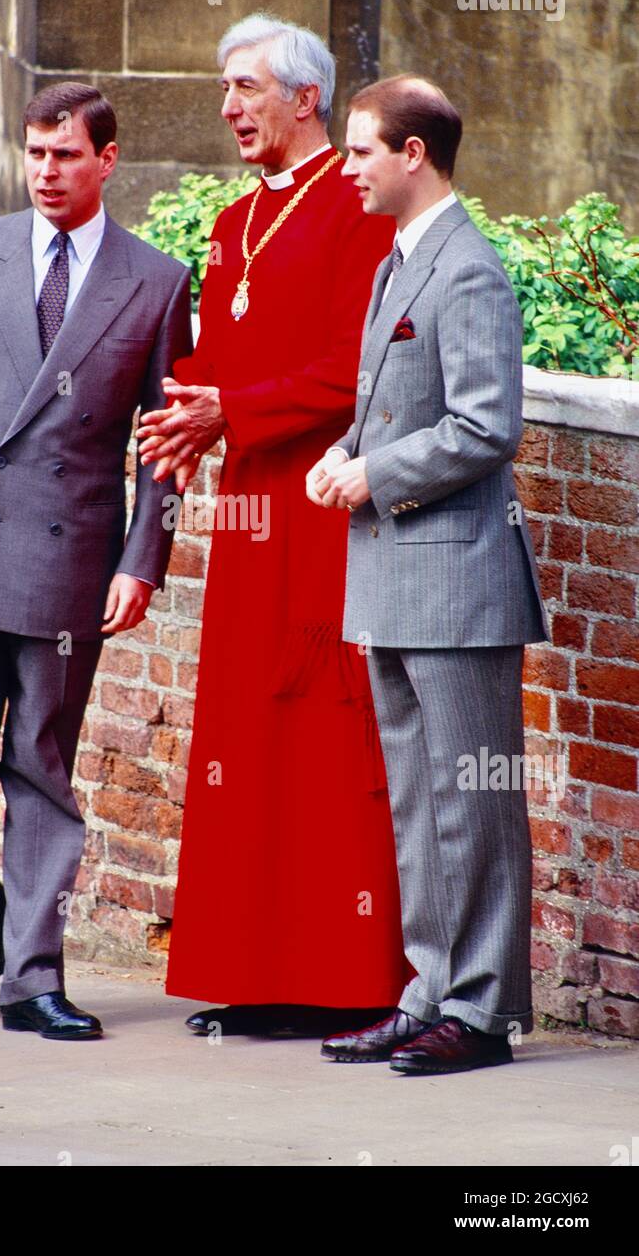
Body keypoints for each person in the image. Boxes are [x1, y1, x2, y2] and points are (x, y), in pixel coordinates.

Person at [0, 81, 192, 1040]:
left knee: (41, 769)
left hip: (70, 562)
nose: (47, 172)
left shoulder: (156, 279)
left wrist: (143, 559)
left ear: (107, 160)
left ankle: (33, 978)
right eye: (35, 153)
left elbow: (166, 443)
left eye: (66, 154)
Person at [136, 14, 413, 1038]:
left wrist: (229, 411)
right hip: (246, 515)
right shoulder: (228, 222)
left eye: (247, 87)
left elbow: (357, 368)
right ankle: (252, 971)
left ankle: (345, 981)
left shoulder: (355, 207)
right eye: (223, 88)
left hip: (327, 507)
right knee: (241, 742)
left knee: (328, 742)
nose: (228, 106)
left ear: (305, 98)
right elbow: (217, 359)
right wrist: (187, 412)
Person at [308, 74, 551, 1074]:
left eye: (361, 150)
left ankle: (484, 1013)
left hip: (458, 582)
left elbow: (487, 424)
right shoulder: (398, 260)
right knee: (418, 802)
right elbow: (400, 408)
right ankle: (427, 994)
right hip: (398, 574)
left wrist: (374, 472)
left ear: (413, 153)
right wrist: (344, 453)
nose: (347, 167)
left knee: (474, 799)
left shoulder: (469, 269)